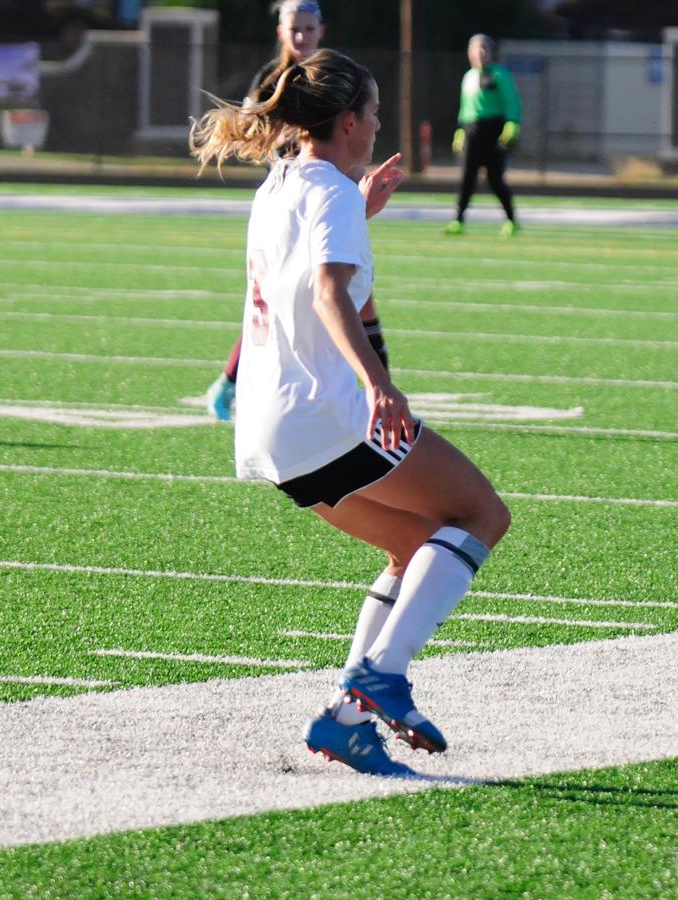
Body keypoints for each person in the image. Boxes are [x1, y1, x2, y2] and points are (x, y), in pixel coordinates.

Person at [190, 49, 511, 775]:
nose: (376, 126)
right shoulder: (330, 194)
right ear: (347, 121)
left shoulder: (283, 183)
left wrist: (359, 207)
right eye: (371, 114)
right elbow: (332, 296)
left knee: (415, 546)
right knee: (482, 515)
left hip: (270, 428)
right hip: (326, 415)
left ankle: (347, 720)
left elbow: (304, 271)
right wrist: (379, 386)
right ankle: (381, 676)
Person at [203, 0, 401, 422]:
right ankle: (234, 379)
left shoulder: (337, 74)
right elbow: (261, 129)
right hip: (304, 198)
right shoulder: (275, 83)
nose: (301, 38)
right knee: (304, 298)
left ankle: (377, 392)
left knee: (352, 299)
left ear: (320, 31)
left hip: (317, 196)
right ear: (281, 33)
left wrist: (355, 203)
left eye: (308, 30)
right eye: (294, 29)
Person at [444, 34, 521, 237]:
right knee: (467, 177)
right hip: (472, 131)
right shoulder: (468, 77)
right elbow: (465, 106)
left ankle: (511, 219)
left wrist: (512, 124)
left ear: (491, 52)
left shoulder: (500, 74)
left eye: (484, 48)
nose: (480, 52)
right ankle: (458, 220)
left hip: (494, 130)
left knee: (495, 179)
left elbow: (511, 100)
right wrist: (460, 129)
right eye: (476, 48)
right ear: (469, 52)